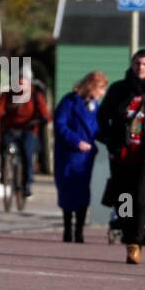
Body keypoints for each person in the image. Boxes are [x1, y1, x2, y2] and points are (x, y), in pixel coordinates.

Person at [97, 49, 145, 265]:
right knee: (123, 198)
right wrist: (108, 139)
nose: (141, 67)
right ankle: (127, 231)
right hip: (121, 154)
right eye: (138, 63)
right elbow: (102, 116)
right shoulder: (118, 90)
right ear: (132, 65)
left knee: (140, 198)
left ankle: (135, 243)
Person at [53, 70, 107, 243]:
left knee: (84, 192)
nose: (102, 93)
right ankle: (68, 228)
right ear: (92, 86)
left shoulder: (95, 106)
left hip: (86, 157)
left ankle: (79, 230)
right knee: (68, 190)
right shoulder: (69, 101)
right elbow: (60, 125)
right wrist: (76, 142)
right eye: (100, 89)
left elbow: (97, 128)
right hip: (69, 154)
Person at [0, 72, 51, 201]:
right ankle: (4, 173)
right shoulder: (7, 95)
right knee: (4, 146)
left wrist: (43, 119)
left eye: (24, 84)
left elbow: (45, 113)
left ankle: (27, 184)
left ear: (29, 85)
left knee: (27, 152)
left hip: (29, 129)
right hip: (11, 128)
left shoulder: (35, 96)